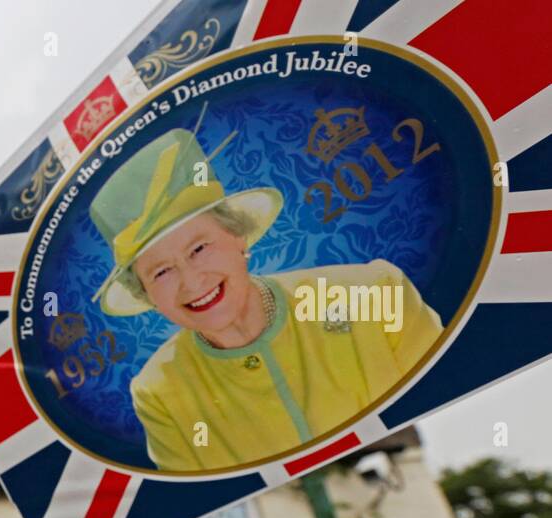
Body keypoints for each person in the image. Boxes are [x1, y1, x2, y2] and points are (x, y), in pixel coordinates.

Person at [88, 124, 442, 472]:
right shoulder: (159, 395)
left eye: (199, 248)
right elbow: (210, 500)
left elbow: (445, 393)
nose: (191, 281)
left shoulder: (372, 295)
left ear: (239, 237)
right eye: (161, 272)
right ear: (147, 295)